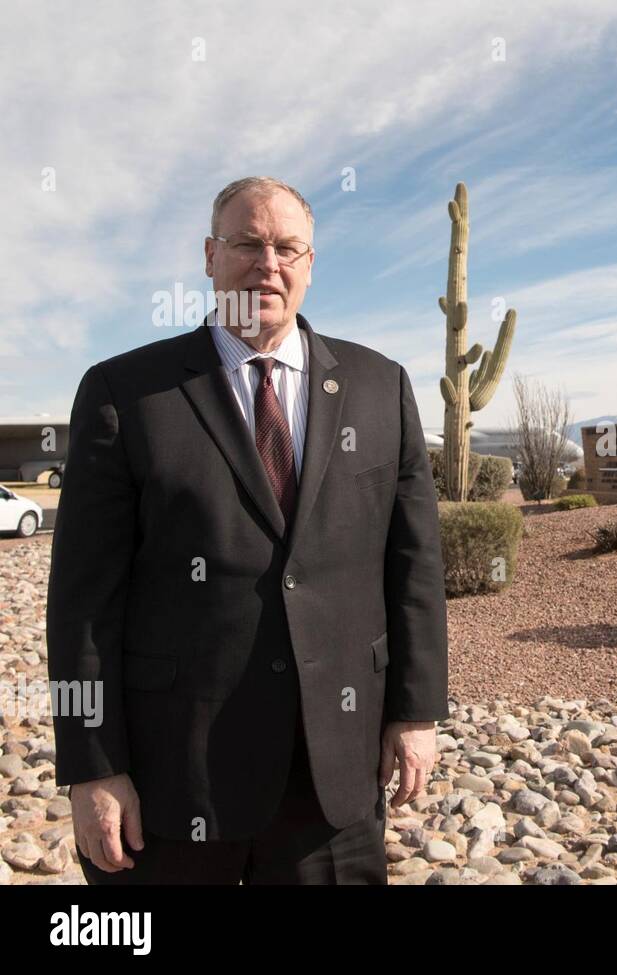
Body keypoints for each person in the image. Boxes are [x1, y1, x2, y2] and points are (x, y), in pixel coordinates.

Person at [46, 176, 450, 884]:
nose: (269, 263)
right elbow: (82, 603)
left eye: (288, 247)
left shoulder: (380, 386)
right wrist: (93, 767)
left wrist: (414, 713)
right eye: (248, 243)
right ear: (210, 256)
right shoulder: (125, 395)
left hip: (330, 782)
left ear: (311, 263)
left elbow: (413, 564)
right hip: (173, 784)